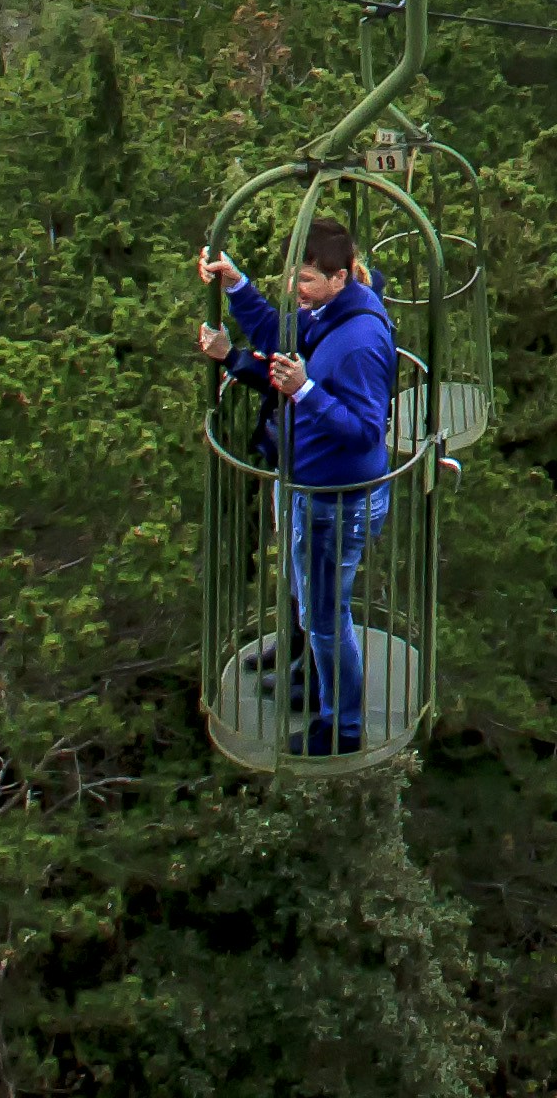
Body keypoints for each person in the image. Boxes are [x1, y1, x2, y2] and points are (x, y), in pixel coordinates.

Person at [199, 218, 398, 759]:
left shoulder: (357, 341)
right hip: (316, 492)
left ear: (338, 277)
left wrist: (304, 390)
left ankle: (342, 728)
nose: (297, 290)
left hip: (337, 501)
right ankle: (316, 687)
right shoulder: (328, 314)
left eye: (306, 281)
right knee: (317, 610)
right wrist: (236, 286)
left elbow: (364, 431)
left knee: (329, 619)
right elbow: (278, 336)